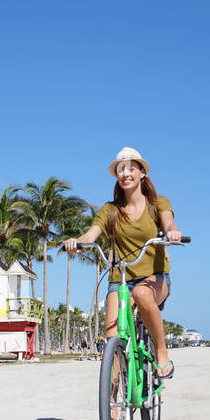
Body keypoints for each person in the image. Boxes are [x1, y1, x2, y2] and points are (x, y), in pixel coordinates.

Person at [64, 147, 181, 379]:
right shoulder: (111, 210)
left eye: (131, 168)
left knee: (141, 293)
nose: (125, 173)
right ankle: (113, 411)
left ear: (142, 173)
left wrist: (173, 231)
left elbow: (168, 223)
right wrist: (78, 242)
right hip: (120, 279)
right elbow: (91, 235)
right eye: (121, 169)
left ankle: (160, 350)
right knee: (112, 341)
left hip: (155, 277)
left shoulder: (158, 204)